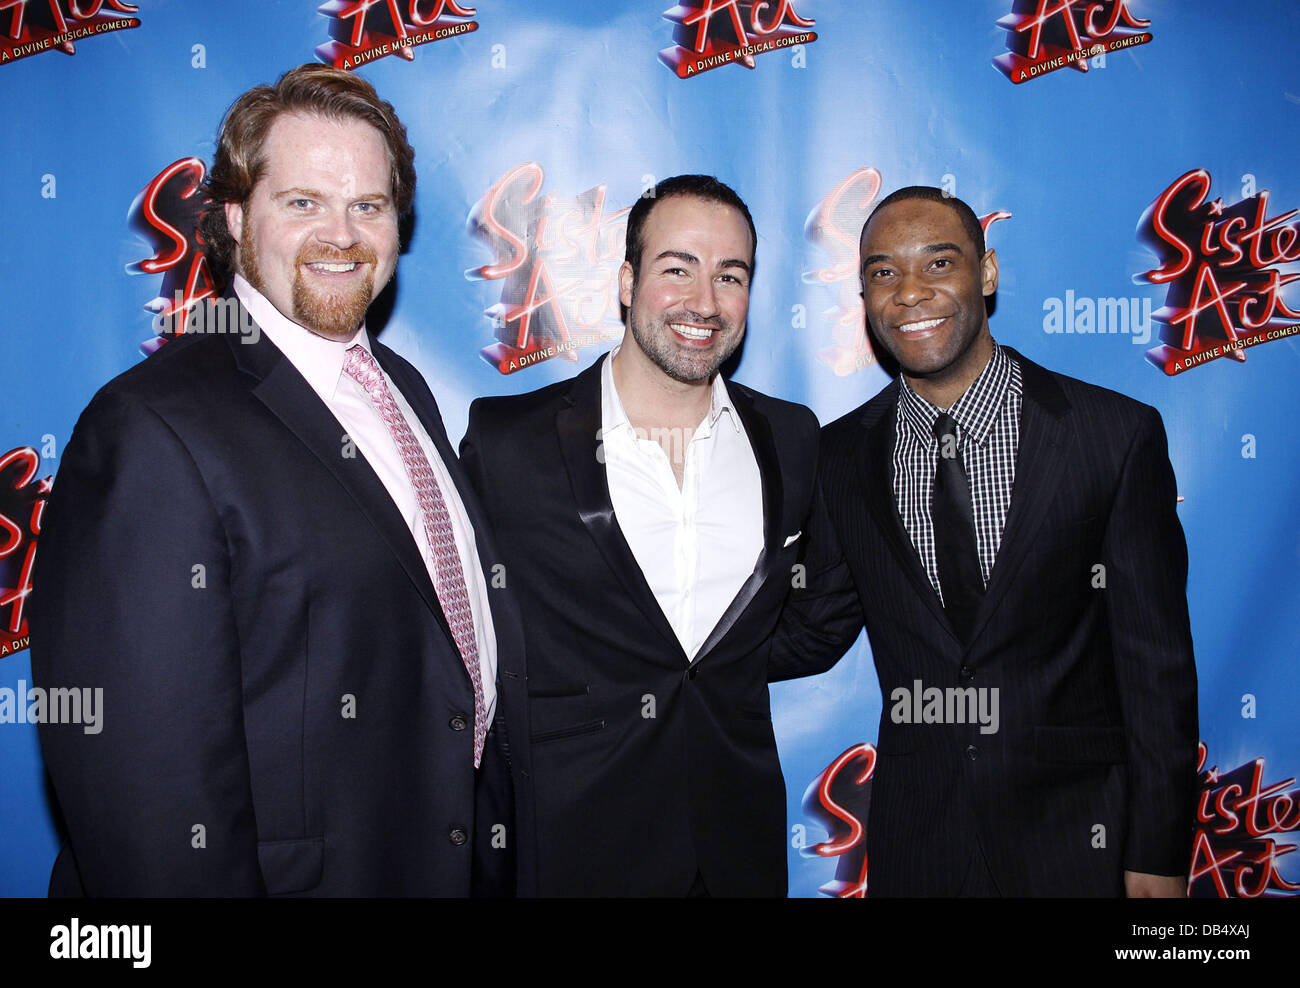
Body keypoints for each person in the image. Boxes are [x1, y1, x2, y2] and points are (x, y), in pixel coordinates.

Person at [30, 64, 534, 897]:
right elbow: (148, 795)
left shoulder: (401, 386)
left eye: (367, 206)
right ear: (234, 218)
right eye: (302, 202)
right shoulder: (149, 429)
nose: (341, 234)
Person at [773, 187, 1198, 897]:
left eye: (939, 263)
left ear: (988, 272)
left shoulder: (1112, 436)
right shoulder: (842, 456)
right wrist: (665, 649)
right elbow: (814, 629)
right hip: (922, 843)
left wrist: (1156, 850)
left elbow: (1156, 666)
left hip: (1080, 838)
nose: (910, 292)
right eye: (883, 272)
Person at [461, 175, 820, 896]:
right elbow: (468, 636)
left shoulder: (791, 437)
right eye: (677, 269)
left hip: (735, 849)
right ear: (627, 282)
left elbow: (807, 616)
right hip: (569, 848)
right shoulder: (509, 444)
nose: (705, 303)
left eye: (731, 276)